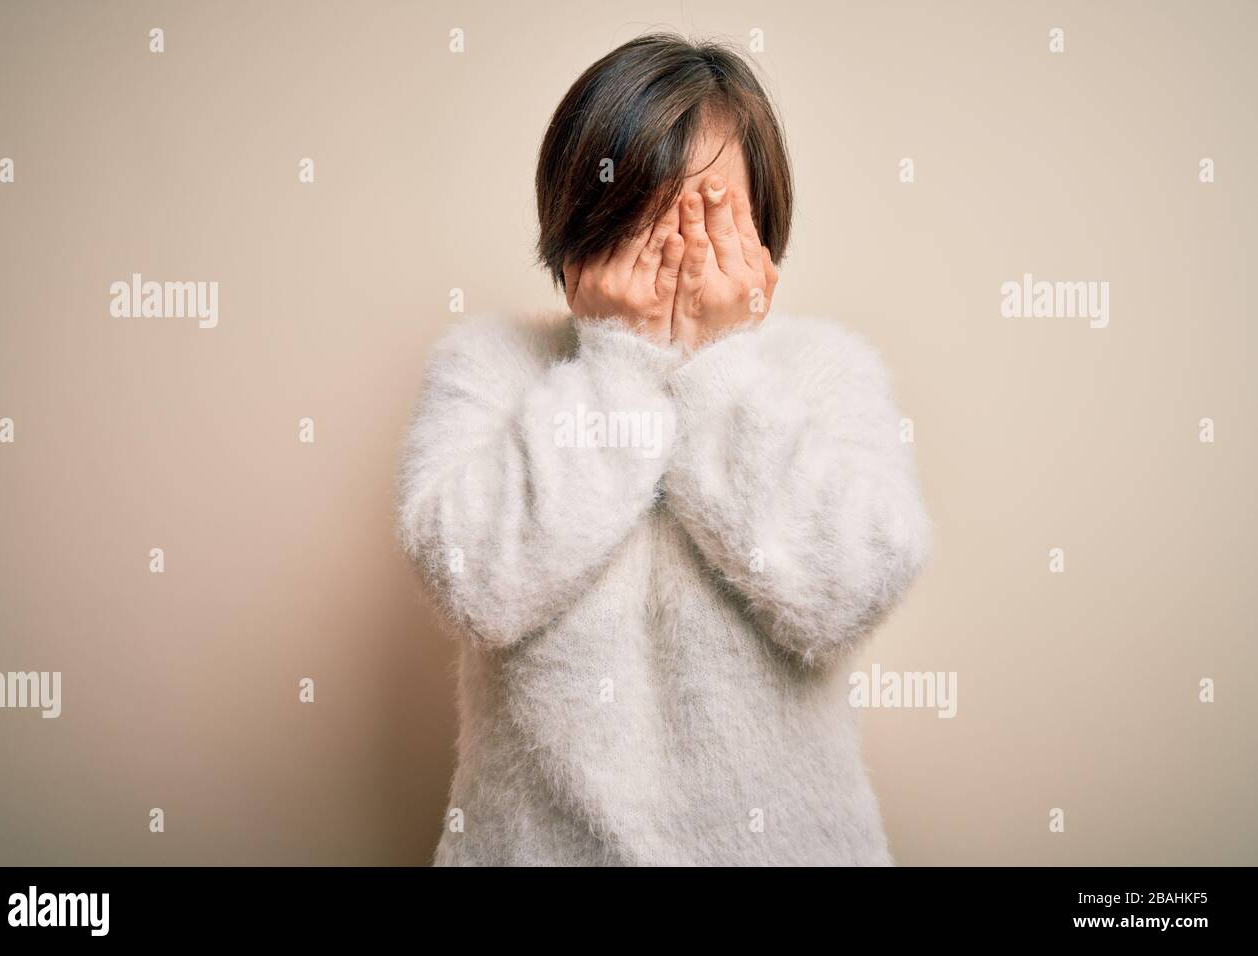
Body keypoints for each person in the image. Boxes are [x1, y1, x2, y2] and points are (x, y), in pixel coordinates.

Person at [399, 33, 932, 865]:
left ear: (765, 234)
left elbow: (847, 591)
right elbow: (474, 586)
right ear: (578, 221)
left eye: (708, 216)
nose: (676, 249)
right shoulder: (490, 365)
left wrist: (718, 368)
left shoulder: (825, 370)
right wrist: (620, 359)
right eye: (642, 214)